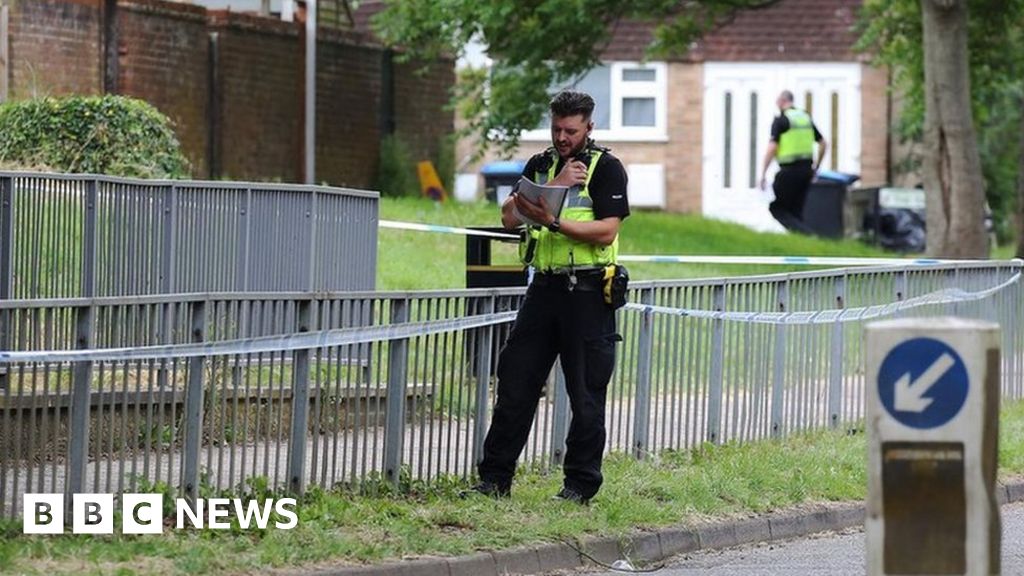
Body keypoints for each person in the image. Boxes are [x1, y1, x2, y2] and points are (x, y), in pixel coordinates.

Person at [470, 90, 629, 505]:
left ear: (588, 127)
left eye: (571, 130)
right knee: (515, 383)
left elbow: (606, 231)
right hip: (543, 290)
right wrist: (552, 187)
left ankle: (579, 486)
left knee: (585, 394)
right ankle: (493, 480)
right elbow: (508, 216)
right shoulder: (540, 165)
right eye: (557, 128)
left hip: (589, 293)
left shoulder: (606, 168)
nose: (562, 137)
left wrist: (553, 221)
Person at [759, 90, 828, 234]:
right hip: (806, 171)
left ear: (782, 101)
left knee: (777, 208)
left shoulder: (781, 120)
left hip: (788, 172)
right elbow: (823, 143)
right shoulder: (805, 118)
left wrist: (763, 173)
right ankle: (801, 242)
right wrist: (817, 167)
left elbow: (772, 148)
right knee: (796, 210)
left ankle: (807, 235)